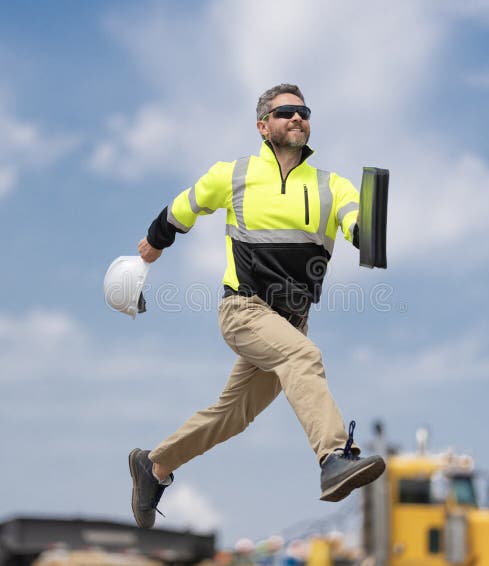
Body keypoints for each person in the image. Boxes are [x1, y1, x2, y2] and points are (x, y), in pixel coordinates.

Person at [129, 84, 385, 529]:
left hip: (290, 322)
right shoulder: (236, 174)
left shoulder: (331, 185)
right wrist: (154, 243)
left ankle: (153, 466)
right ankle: (334, 457)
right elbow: (184, 207)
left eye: (303, 111)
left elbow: (356, 224)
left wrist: (369, 230)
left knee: (233, 415)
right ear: (263, 125)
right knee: (304, 357)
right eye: (285, 111)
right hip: (244, 311)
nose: (297, 118)